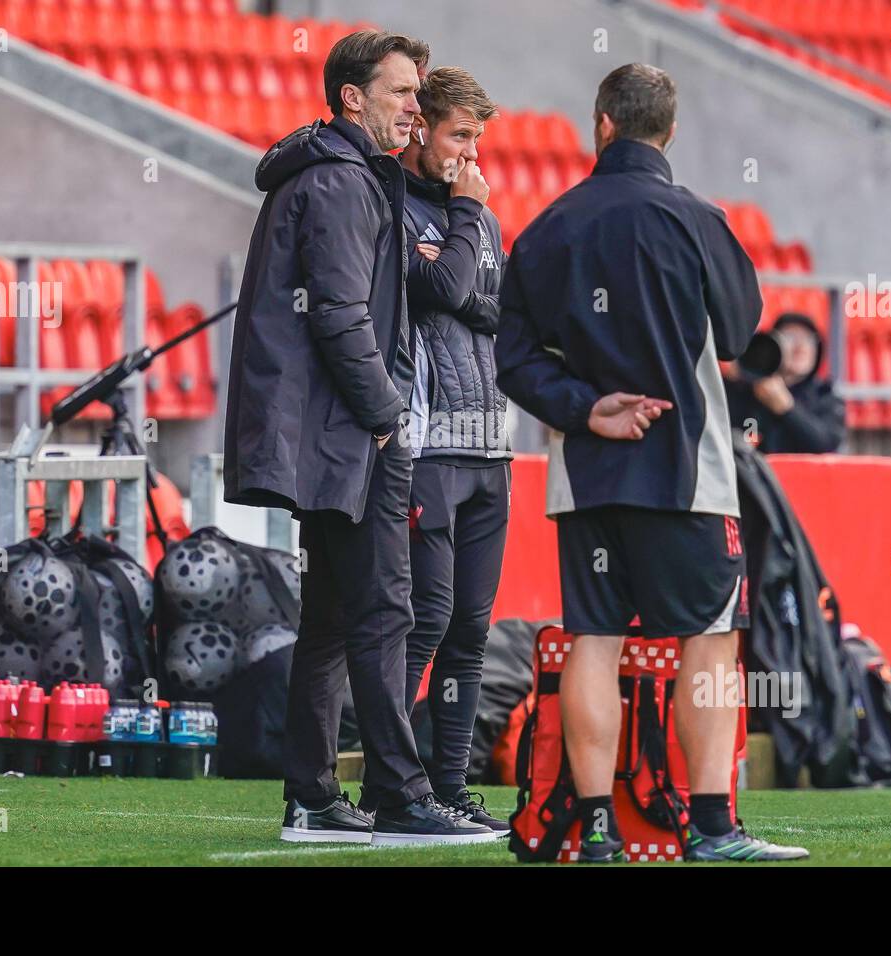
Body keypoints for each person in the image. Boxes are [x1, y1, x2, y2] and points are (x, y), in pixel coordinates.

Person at [495, 63, 810, 862]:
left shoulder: (546, 227)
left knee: (592, 641)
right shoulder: (700, 219)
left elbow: (513, 359)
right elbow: (741, 337)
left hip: (586, 470)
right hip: (688, 471)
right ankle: (711, 827)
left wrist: (584, 407)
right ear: (668, 132)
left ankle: (594, 826)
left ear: (601, 123)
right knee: (708, 642)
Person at [221, 30, 495, 845]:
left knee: (335, 617)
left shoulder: (340, 174)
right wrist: (384, 416)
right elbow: (340, 315)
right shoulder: (342, 182)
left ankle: (312, 796)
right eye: (403, 92)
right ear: (353, 97)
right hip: (355, 433)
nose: (417, 106)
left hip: (336, 433)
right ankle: (401, 796)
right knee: (384, 609)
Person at [398, 66, 512, 834]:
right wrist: (467, 222)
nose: (470, 153)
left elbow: (496, 307)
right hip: (425, 451)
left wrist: (463, 264)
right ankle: (393, 784)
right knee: (425, 621)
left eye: (478, 137)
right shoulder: (393, 208)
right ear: (421, 129)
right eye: (458, 135)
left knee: (471, 629)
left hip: (490, 450)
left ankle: (448, 786)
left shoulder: (481, 220)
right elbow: (442, 295)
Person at [725, 311, 845, 453]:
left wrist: (787, 409)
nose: (800, 347)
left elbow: (825, 444)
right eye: (790, 337)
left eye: (808, 339)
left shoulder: (825, 397)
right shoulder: (747, 389)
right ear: (773, 345)